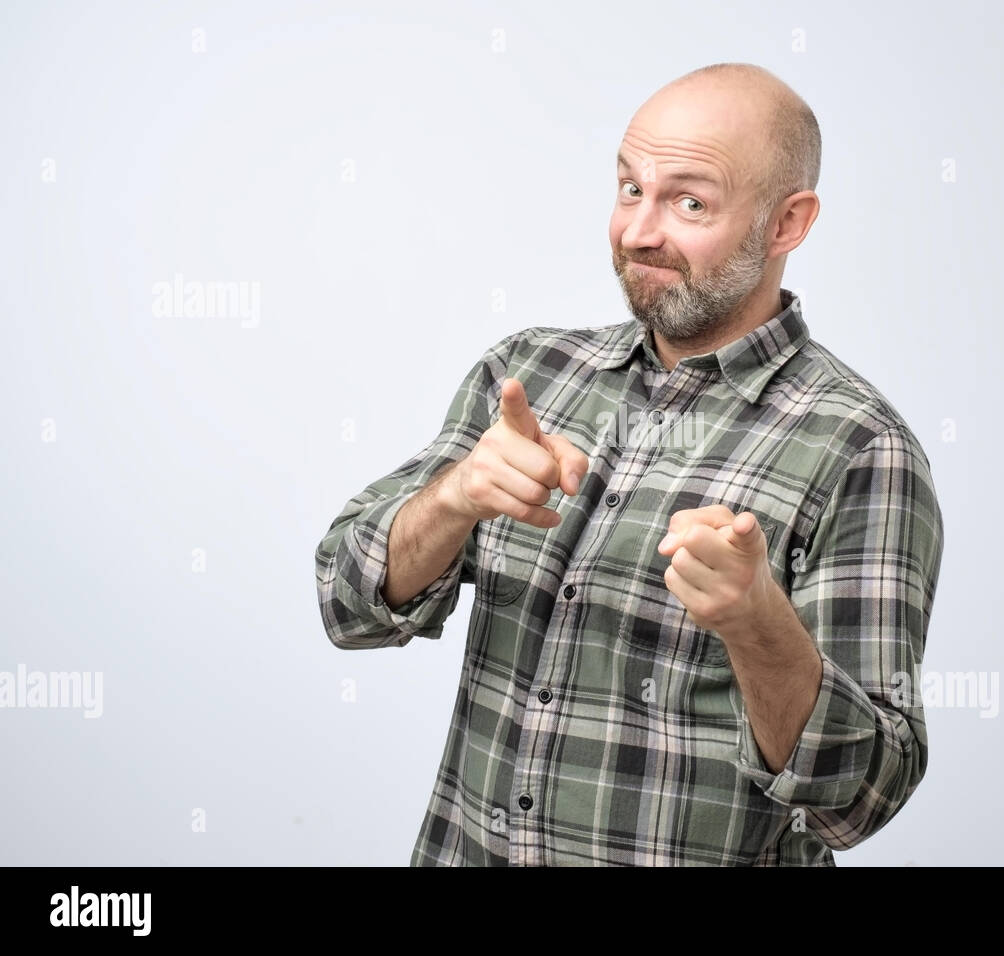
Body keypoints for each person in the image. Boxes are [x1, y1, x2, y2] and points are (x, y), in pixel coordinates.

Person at [314, 62, 944, 866]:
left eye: (689, 202)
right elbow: (346, 606)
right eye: (627, 189)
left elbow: (860, 801)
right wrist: (456, 498)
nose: (638, 232)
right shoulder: (530, 375)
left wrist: (757, 623)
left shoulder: (861, 448)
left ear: (788, 223)